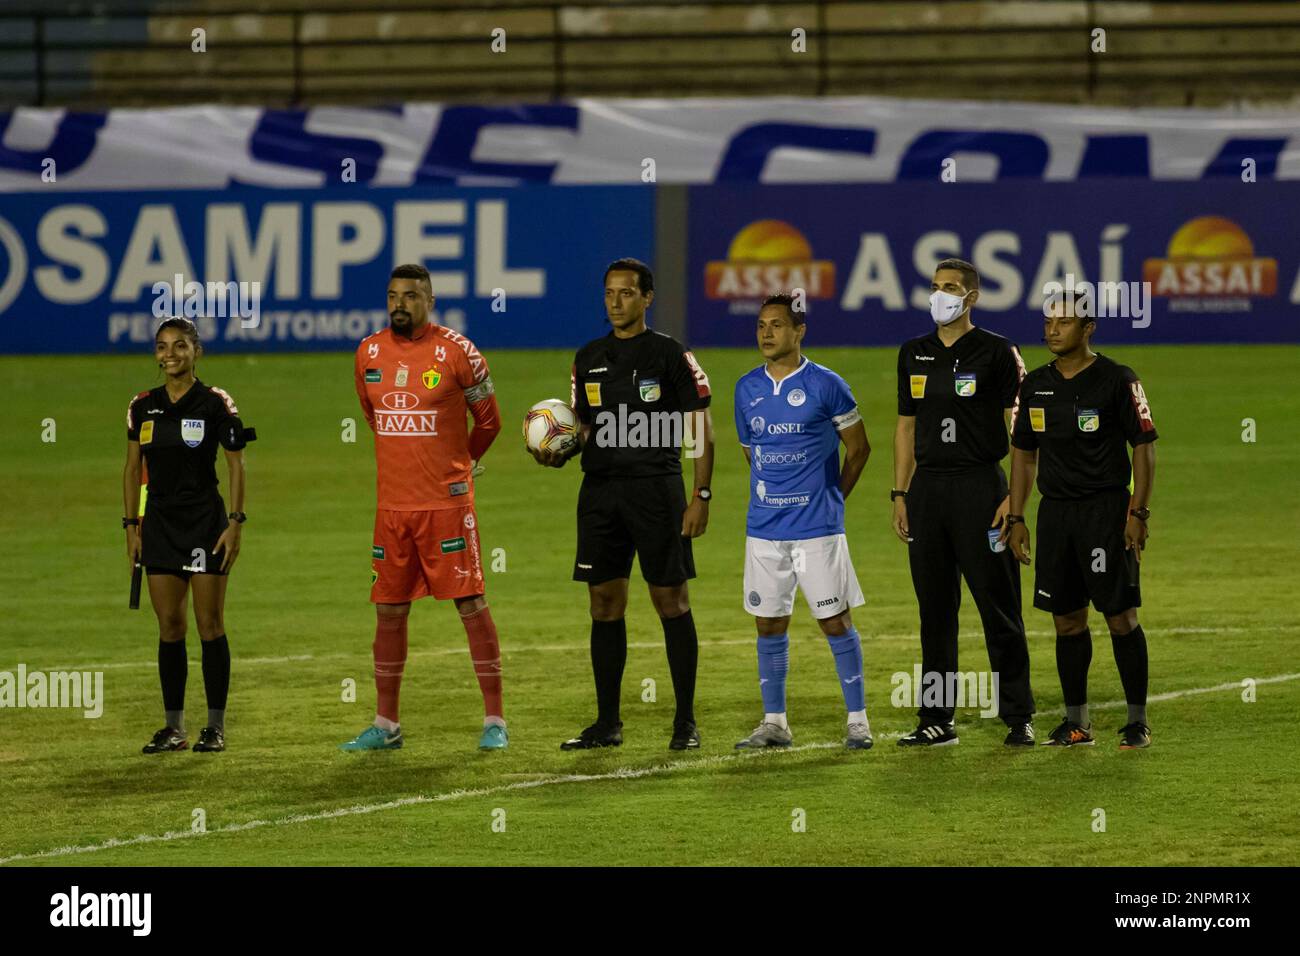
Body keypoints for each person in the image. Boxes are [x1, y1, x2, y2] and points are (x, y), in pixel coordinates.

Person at [532, 257, 714, 751]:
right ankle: (607, 723)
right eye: (610, 293)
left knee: (670, 601)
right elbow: (584, 426)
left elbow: (700, 425)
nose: (616, 302)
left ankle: (685, 721)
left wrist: (700, 495)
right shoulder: (588, 356)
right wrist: (559, 448)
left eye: (627, 293)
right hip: (600, 495)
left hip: (657, 491)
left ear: (647, 298)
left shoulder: (671, 355)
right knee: (603, 603)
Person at [339, 263, 506, 752]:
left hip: (446, 508)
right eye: (393, 295)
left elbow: (490, 422)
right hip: (392, 510)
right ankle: (385, 724)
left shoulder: (459, 353)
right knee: (388, 611)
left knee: (470, 604)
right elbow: (375, 417)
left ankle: (494, 719)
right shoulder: (367, 352)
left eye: (411, 296)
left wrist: (460, 465)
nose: (400, 304)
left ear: (430, 301)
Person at [892, 258, 1036, 747]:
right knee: (934, 611)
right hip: (928, 491)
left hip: (980, 490)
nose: (940, 295)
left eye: (950, 287)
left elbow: (1022, 430)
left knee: (999, 606)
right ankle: (936, 718)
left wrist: (1013, 501)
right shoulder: (913, 352)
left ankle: (1018, 714)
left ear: (971, 298)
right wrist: (900, 492)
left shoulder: (998, 352)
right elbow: (906, 427)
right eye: (934, 287)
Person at [1005, 293, 1157, 749]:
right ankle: (1077, 723)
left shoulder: (1117, 379)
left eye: (1064, 322)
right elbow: (1023, 456)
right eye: (1048, 321)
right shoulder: (1033, 385)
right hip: (1056, 516)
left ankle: (1136, 721)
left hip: (1106, 512)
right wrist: (1017, 516)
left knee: (1120, 617)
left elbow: (1144, 447)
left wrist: (1138, 512)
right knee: (1066, 621)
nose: (1052, 329)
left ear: (1088, 327)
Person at [732, 294, 873, 750]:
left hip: (817, 530)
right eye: (760, 326)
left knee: (834, 620)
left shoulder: (827, 385)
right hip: (764, 530)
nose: (766, 333)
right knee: (768, 624)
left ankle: (858, 720)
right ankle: (774, 722)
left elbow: (859, 448)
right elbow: (752, 451)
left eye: (776, 325)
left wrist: (833, 497)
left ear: (799, 331)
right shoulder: (746, 389)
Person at [124, 317, 251, 754]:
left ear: (197, 351)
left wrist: (235, 522)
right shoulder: (142, 406)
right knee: (170, 627)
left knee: (209, 624)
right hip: (159, 526)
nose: (170, 354)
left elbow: (236, 464)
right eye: (162, 347)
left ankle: (214, 727)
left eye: (180, 346)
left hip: (205, 525)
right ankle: (173, 728)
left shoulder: (215, 403)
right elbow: (131, 468)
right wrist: (131, 527)